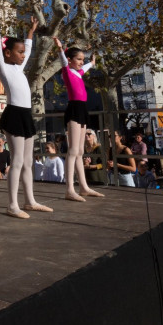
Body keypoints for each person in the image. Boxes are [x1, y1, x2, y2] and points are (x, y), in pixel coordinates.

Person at [0, 10, 51, 218]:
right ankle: (12, 204)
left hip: (26, 115)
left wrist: (31, 31)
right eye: (20, 52)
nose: (23, 55)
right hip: (14, 114)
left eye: (24, 52)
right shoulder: (4, 68)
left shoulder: (18, 68)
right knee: (16, 161)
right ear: (8, 53)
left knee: (27, 161)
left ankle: (30, 201)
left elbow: (29, 47)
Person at [54, 37, 104, 202]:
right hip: (74, 109)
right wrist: (61, 49)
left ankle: (83, 187)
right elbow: (63, 61)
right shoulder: (67, 71)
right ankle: (69, 189)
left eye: (83, 59)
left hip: (83, 109)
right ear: (70, 60)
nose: (82, 62)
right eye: (79, 59)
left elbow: (86, 68)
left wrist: (92, 62)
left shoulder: (79, 73)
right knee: (73, 150)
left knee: (81, 151)